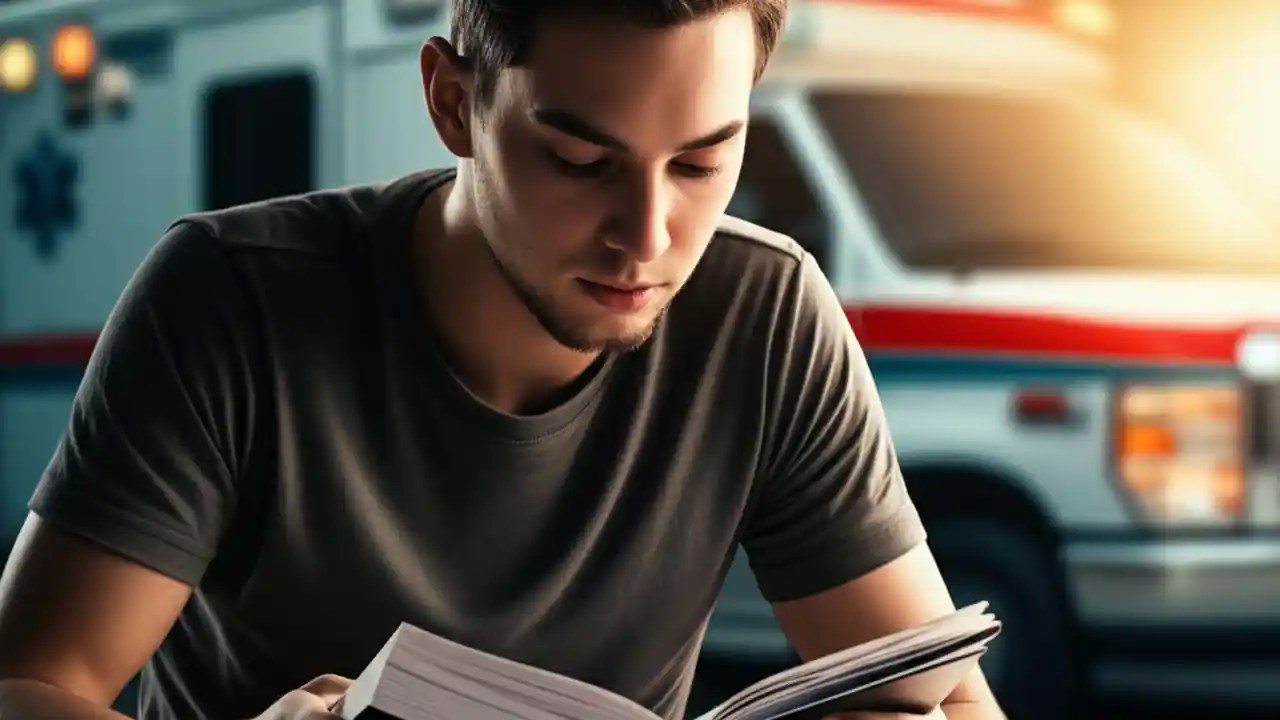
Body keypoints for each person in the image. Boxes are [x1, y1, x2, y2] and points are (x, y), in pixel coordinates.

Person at [0, 1, 1006, 718]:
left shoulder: (766, 317)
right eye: (580, 162)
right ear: (453, 102)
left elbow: (945, 695)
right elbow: (28, 684)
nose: (647, 237)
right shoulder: (228, 297)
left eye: (702, 162)